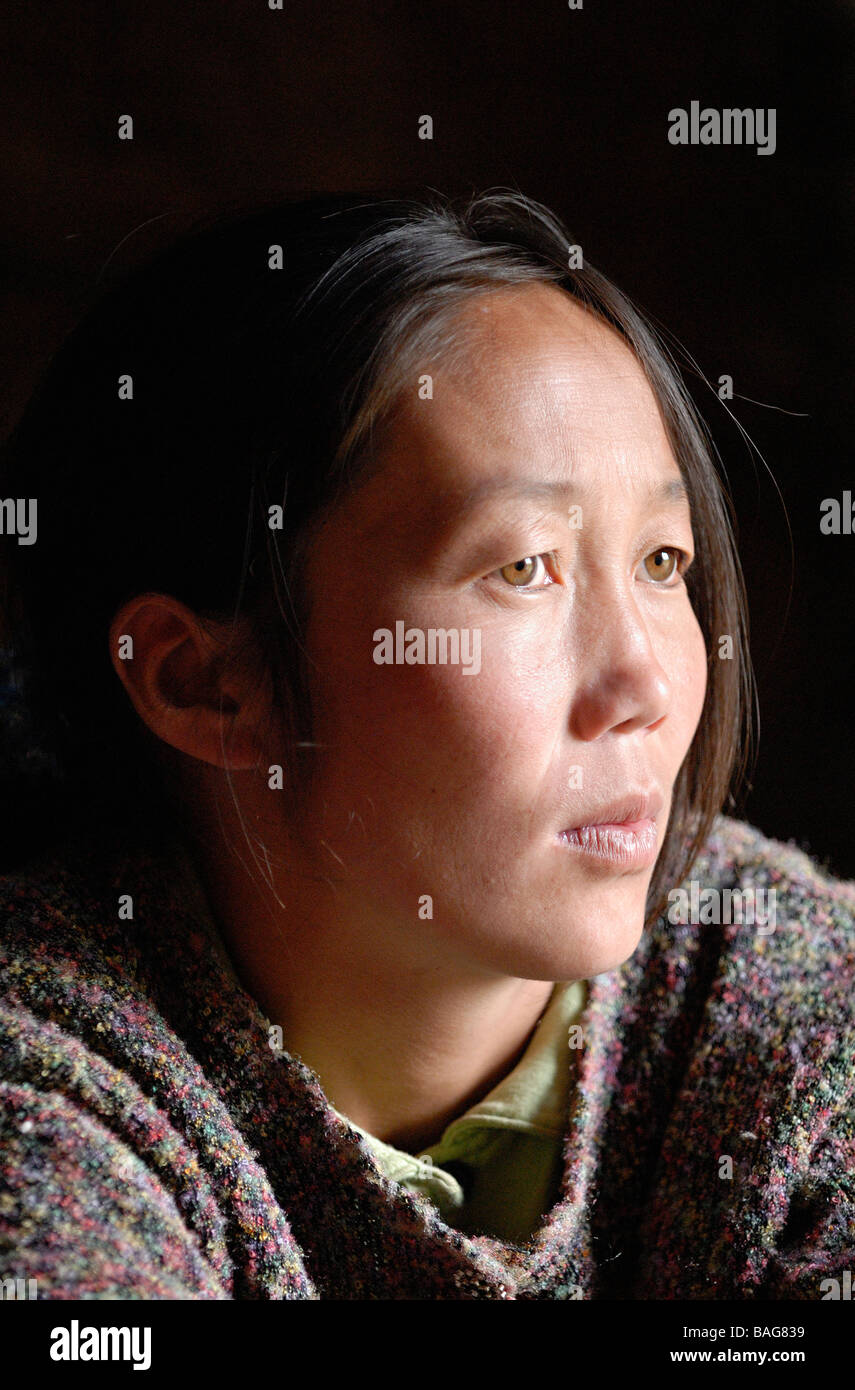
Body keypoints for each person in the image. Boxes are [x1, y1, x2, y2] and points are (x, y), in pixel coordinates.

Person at [0, 189, 852, 1300]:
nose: (647, 683)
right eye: (523, 567)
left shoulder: (799, 1015)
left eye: (661, 561)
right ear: (203, 679)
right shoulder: (48, 1091)